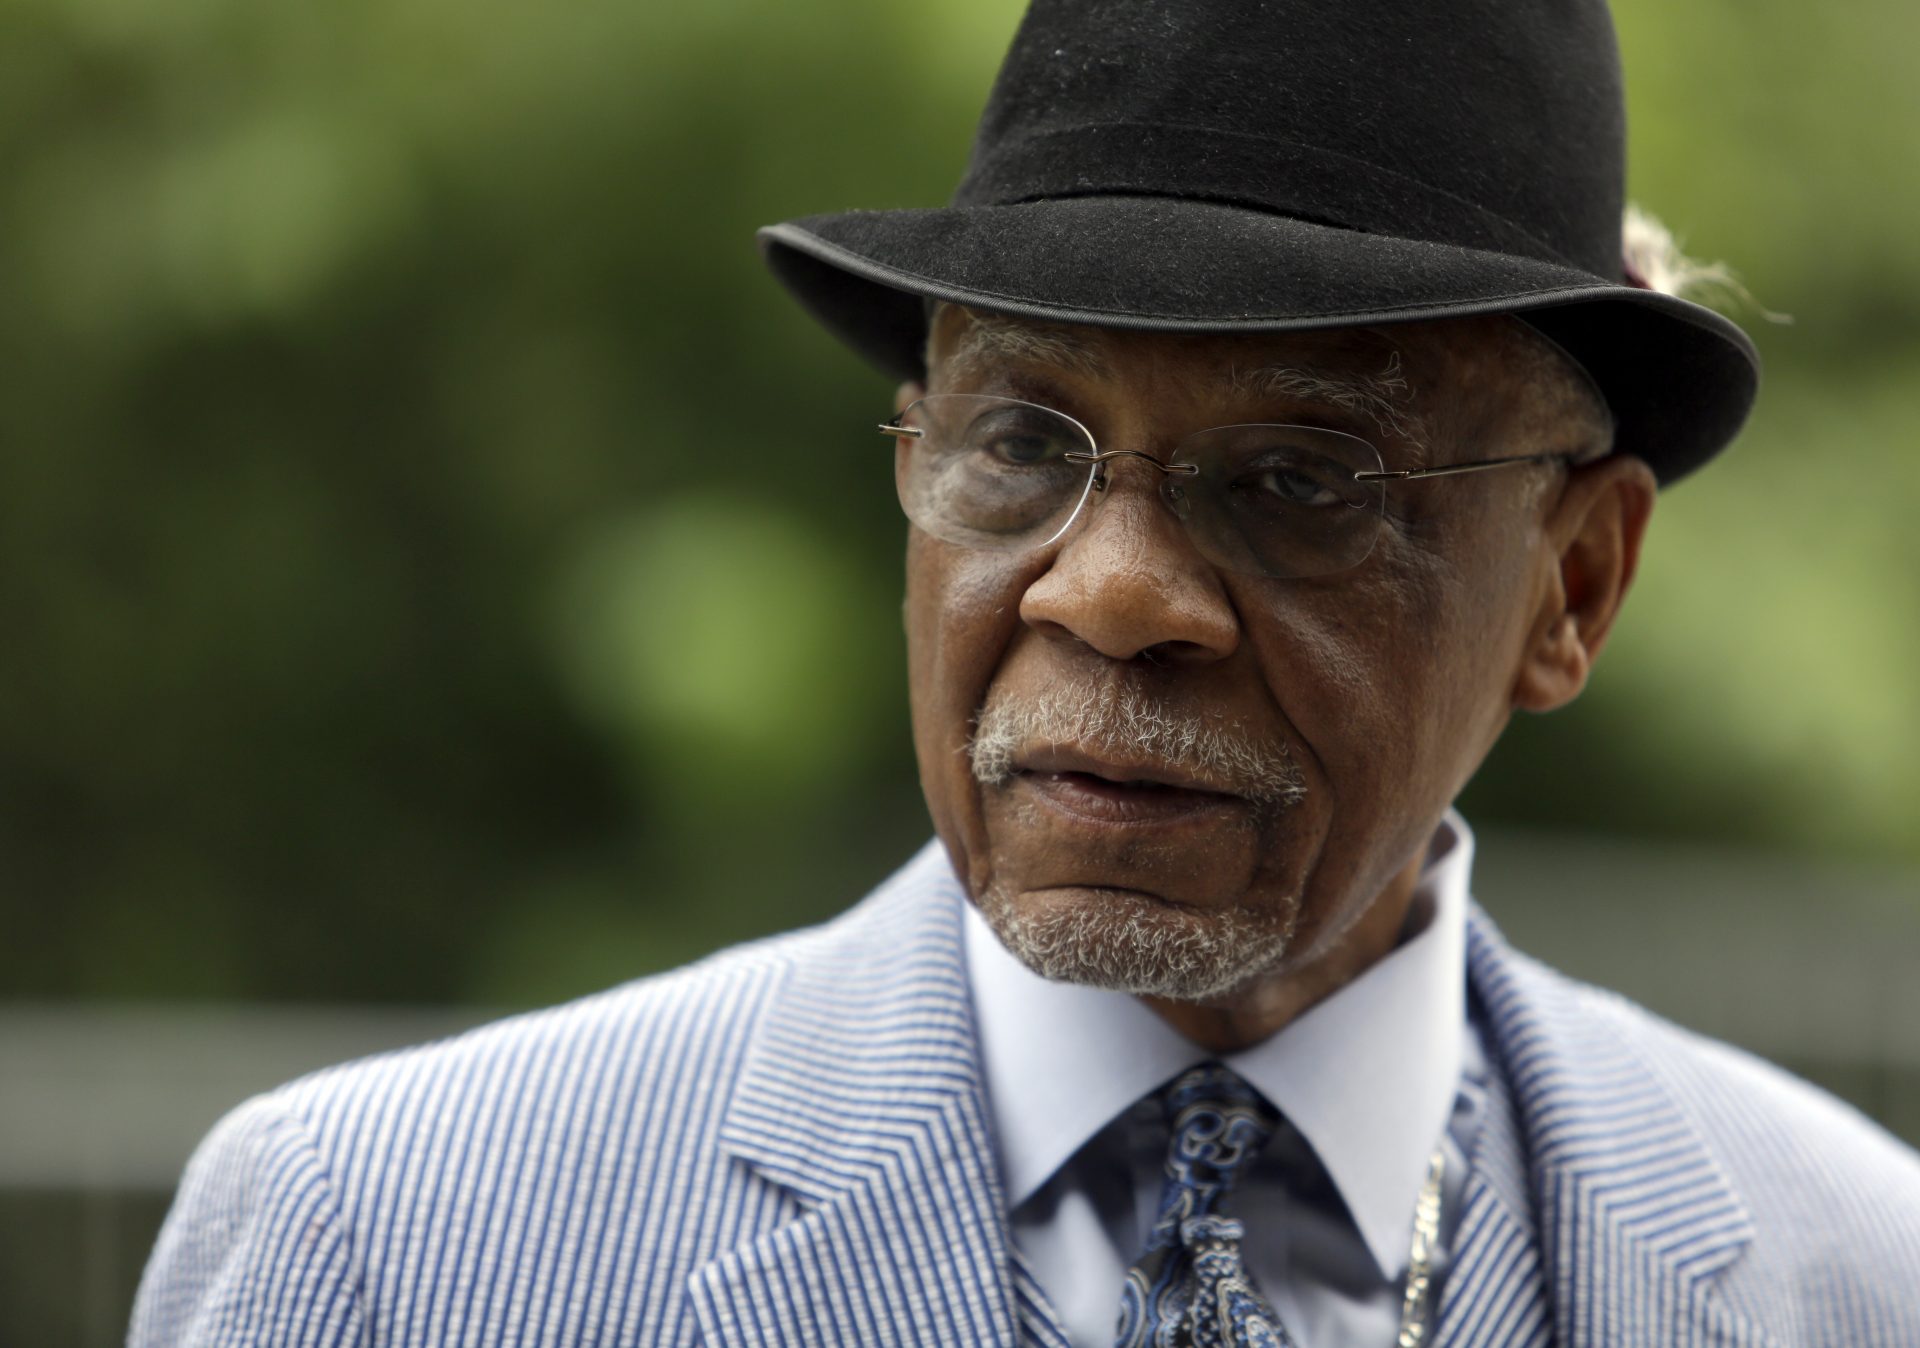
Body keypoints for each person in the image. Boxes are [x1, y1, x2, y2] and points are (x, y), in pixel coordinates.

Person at [132, 0, 1920, 1344]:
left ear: (1575, 586)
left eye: (1299, 479)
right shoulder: (387, 1247)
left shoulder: (1857, 1272)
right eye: (1015, 443)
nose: (1117, 591)